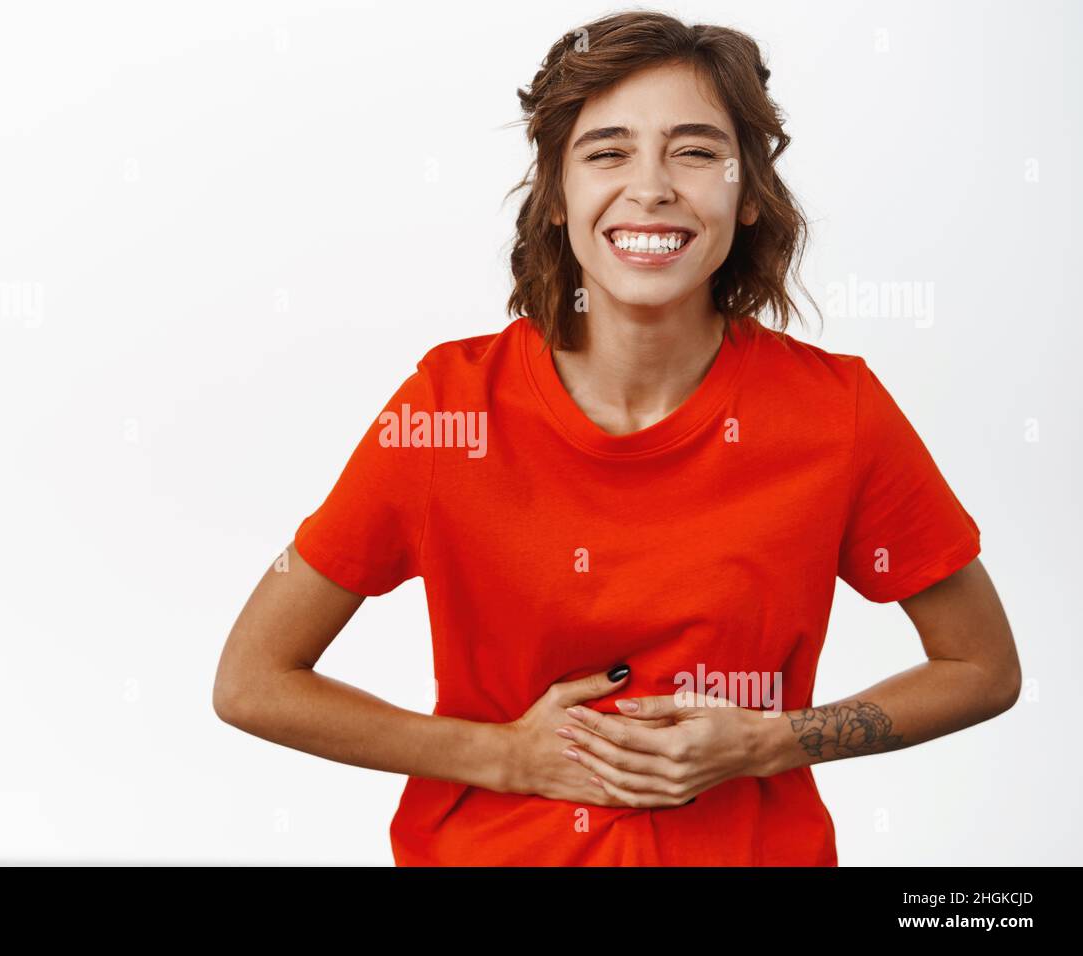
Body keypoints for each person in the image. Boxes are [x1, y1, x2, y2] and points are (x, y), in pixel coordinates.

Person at [212, 10, 1019, 866]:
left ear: (748, 197)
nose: (652, 186)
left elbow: (982, 667)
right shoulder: (446, 410)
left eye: (696, 150)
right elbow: (254, 681)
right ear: (556, 197)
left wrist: (770, 742)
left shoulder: (838, 413)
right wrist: (505, 756)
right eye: (608, 151)